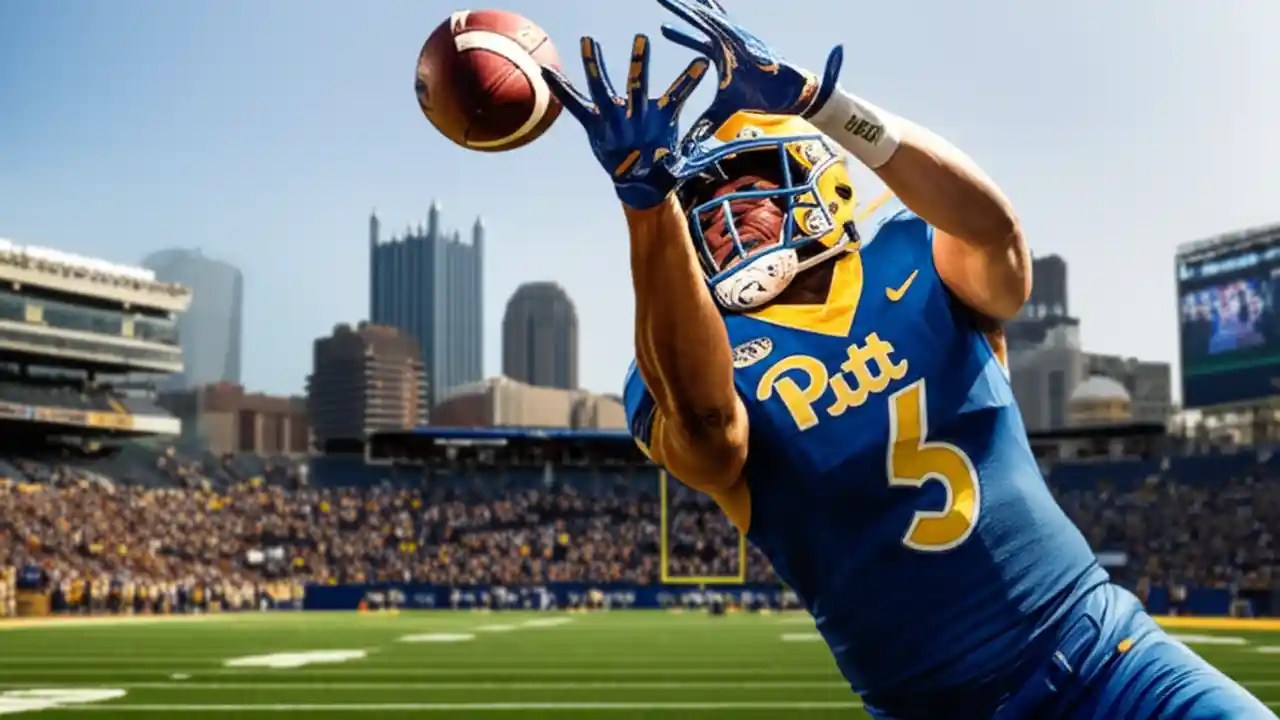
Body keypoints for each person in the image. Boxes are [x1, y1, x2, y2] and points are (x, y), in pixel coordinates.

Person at [542, 1, 1273, 717]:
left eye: (747, 191)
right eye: (702, 205)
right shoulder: (681, 358)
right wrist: (647, 203)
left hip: (1110, 659)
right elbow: (707, 431)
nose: (726, 220)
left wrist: (819, 101)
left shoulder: (913, 250)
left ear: (812, 174)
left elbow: (999, 240)